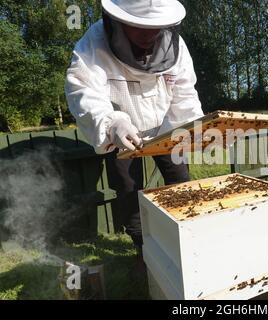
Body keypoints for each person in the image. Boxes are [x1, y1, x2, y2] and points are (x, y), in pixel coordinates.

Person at [65, 0, 204, 271]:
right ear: (119, 20)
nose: (148, 35)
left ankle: (187, 236)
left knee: (180, 179)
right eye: (140, 27)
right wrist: (110, 123)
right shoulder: (93, 42)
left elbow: (185, 92)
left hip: (165, 126)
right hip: (121, 131)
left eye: (155, 28)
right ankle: (142, 249)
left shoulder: (177, 46)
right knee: (128, 189)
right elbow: (82, 90)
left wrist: (191, 127)